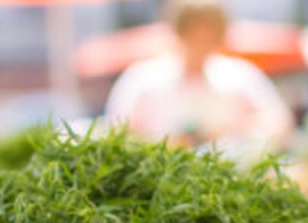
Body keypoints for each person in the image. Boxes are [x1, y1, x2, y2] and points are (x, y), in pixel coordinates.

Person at [103, 0, 294, 160]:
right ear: (178, 34)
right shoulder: (143, 79)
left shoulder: (241, 77)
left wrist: (230, 130)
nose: (200, 45)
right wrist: (166, 144)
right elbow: (118, 132)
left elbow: (278, 122)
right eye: (194, 37)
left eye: (208, 38)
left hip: (229, 178)